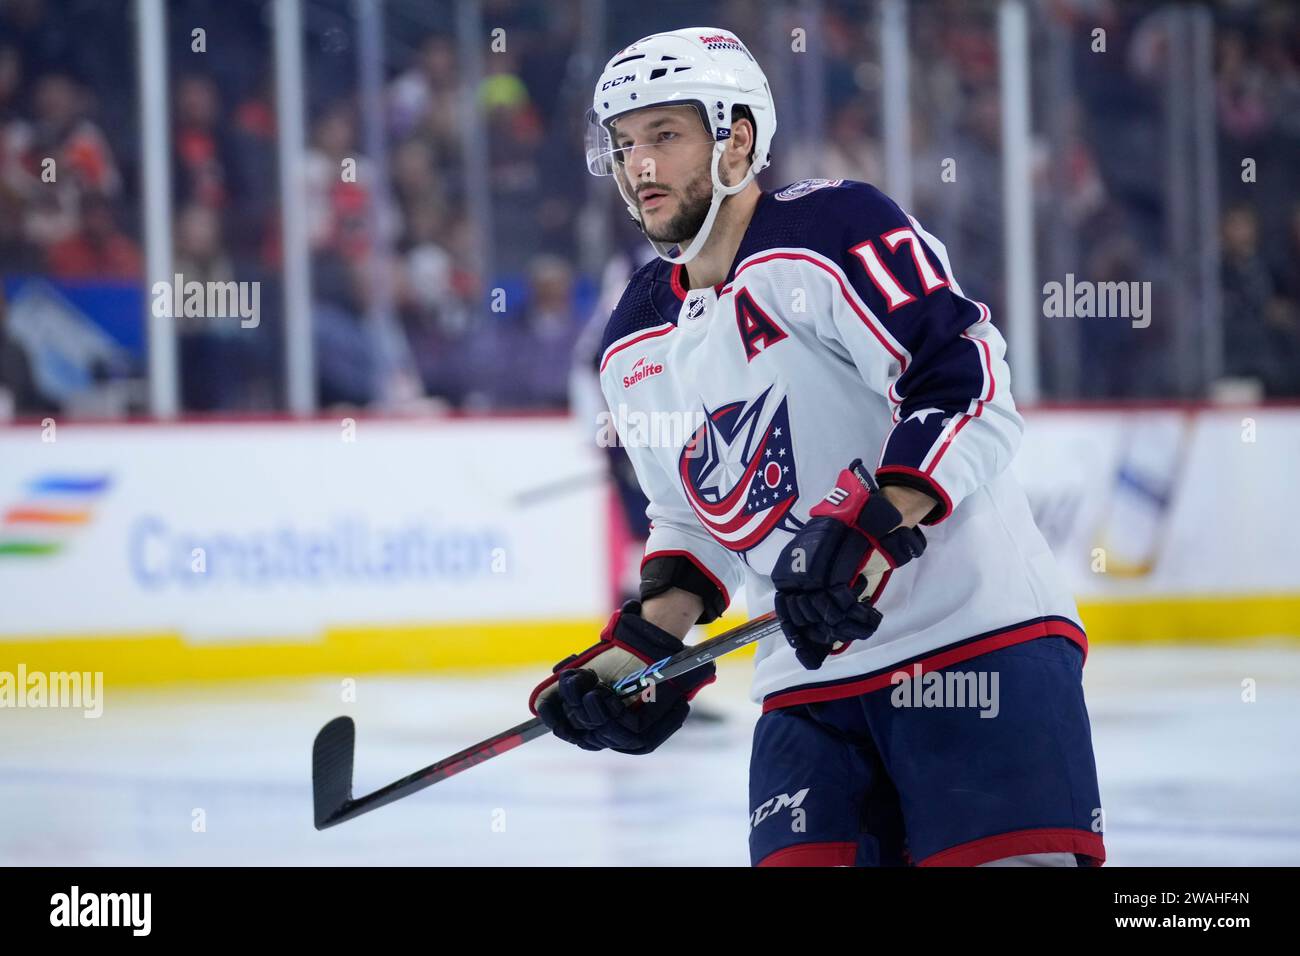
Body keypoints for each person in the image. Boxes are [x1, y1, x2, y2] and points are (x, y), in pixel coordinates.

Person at [528, 27, 1104, 868]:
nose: (637, 166)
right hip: (806, 687)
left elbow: (967, 382)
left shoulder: (832, 228)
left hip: (978, 643)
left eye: (664, 136)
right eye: (621, 145)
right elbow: (691, 516)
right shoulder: (632, 333)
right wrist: (644, 647)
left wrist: (877, 525)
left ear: (739, 140)